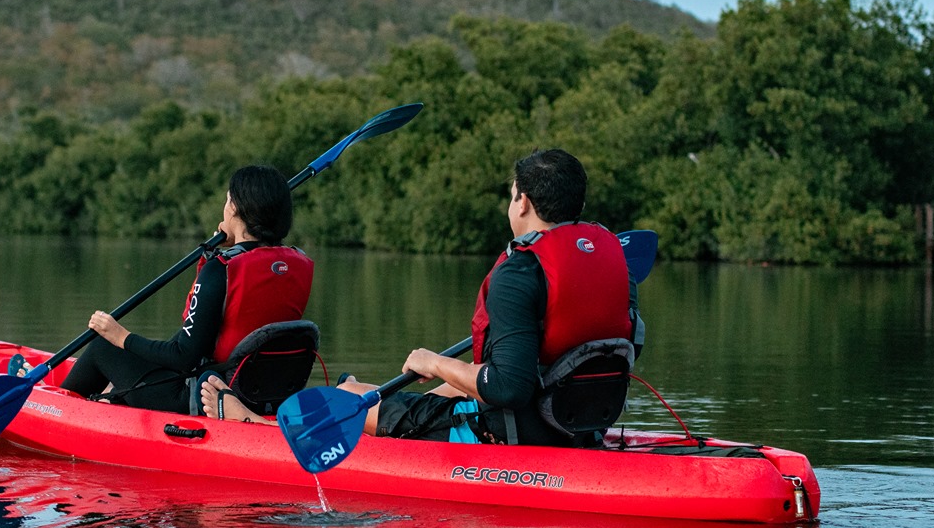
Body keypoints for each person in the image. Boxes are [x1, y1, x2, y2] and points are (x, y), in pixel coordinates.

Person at [218, 149, 636, 445]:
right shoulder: (614, 260)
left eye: (512, 196)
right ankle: (364, 393)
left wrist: (432, 362)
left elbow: (507, 389)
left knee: (345, 402)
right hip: (575, 425)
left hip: (510, 433)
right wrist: (454, 375)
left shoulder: (520, 271)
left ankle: (256, 423)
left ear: (522, 202)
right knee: (437, 390)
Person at [62, 165, 313, 414]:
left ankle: (57, 411)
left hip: (206, 397)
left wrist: (121, 337)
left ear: (236, 208)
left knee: (103, 346)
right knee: (125, 378)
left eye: (228, 200)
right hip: (266, 395)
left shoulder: (222, 269)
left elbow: (183, 357)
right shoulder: (298, 264)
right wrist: (222, 252)